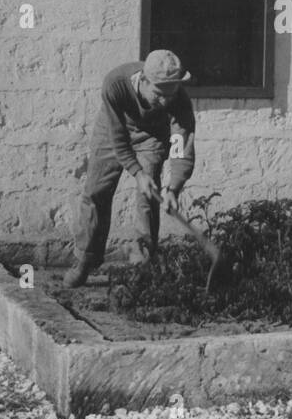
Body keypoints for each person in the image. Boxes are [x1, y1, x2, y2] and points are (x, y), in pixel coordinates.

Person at [63, 49, 196, 288]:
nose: (165, 101)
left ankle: (141, 267)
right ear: (143, 80)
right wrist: (137, 172)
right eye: (159, 94)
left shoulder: (179, 100)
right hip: (114, 130)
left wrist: (173, 188)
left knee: (147, 196)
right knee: (96, 192)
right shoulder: (115, 84)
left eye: (170, 94)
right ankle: (85, 259)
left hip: (152, 135)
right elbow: (118, 140)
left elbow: (181, 146)